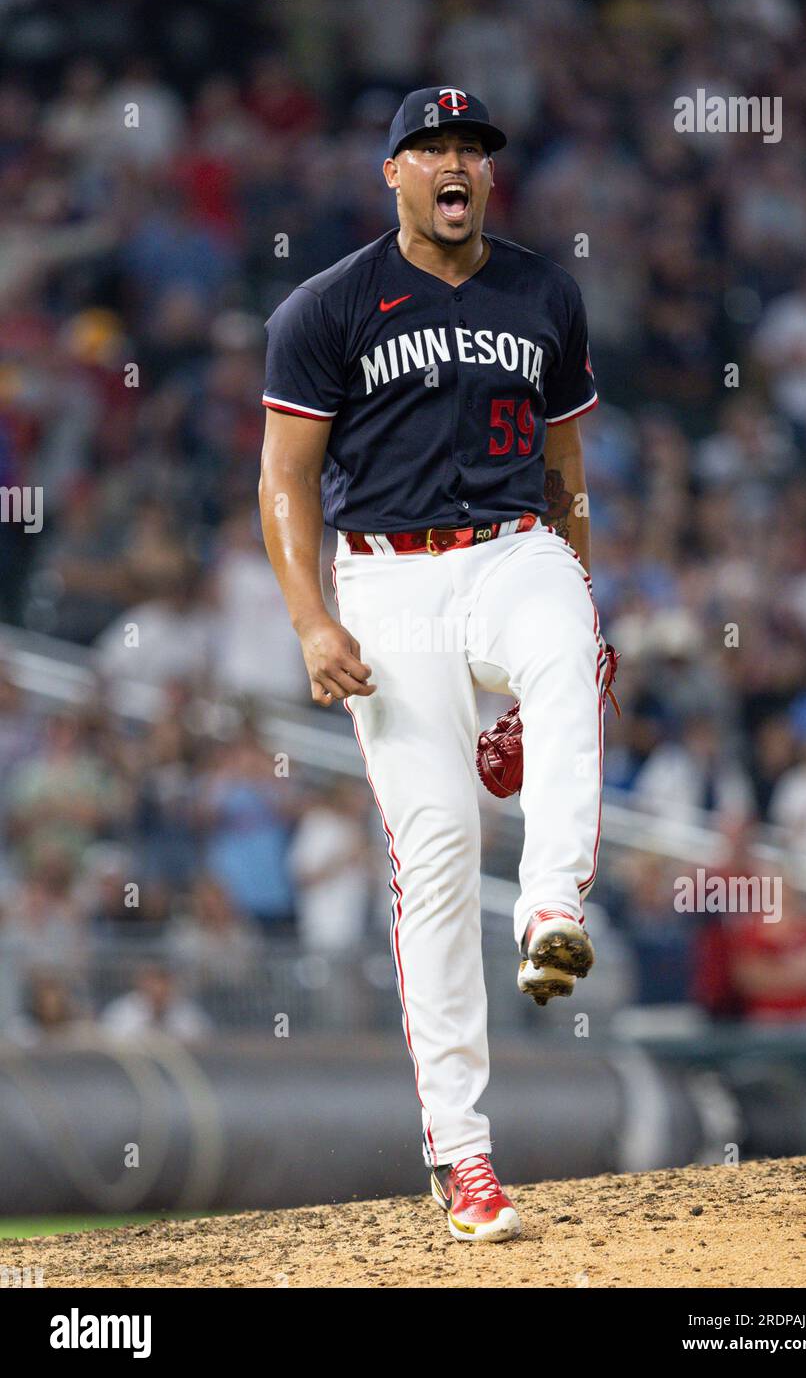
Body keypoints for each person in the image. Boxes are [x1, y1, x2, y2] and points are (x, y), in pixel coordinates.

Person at [259, 88, 609, 1243]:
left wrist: (578, 589)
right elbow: (285, 483)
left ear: (489, 179)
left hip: (514, 546)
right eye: (434, 148)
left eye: (473, 149)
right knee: (442, 851)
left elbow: (564, 470)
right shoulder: (329, 306)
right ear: (394, 173)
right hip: (389, 579)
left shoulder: (544, 293)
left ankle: (553, 905)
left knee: (565, 653)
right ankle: (463, 1158)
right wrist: (312, 620)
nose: (456, 163)